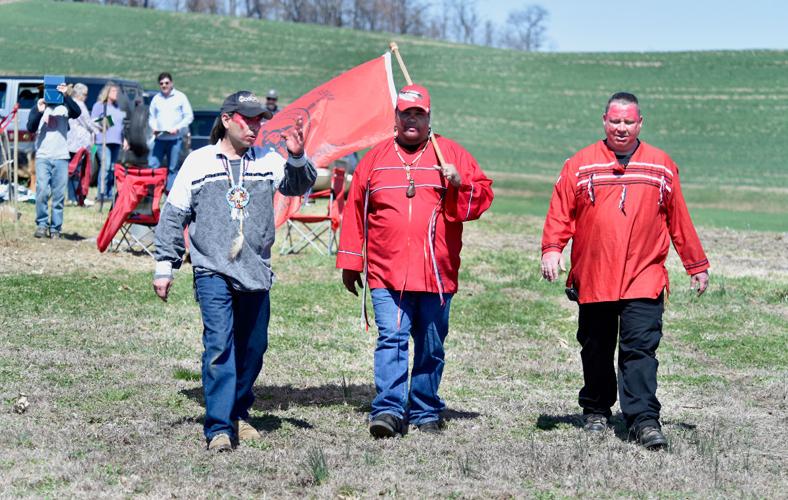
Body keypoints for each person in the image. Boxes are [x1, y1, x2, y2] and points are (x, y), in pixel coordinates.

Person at [540, 92, 710, 449]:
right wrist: (552, 249)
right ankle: (597, 410)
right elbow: (560, 210)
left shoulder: (661, 165)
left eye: (628, 121)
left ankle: (644, 420)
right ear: (604, 120)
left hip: (643, 275)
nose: (621, 127)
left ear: (640, 123)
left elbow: (680, 219)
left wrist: (696, 264)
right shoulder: (581, 163)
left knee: (640, 350)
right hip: (595, 274)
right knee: (596, 347)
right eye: (615, 121)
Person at [152, 91, 316, 452]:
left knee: (254, 347)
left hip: (255, 269)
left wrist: (298, 156)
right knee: (219, 346)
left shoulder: (268, 160)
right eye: (248, 119)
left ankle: (239, 411)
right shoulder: (198, 162)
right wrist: (165, 265)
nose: (256, 126)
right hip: (212, 268)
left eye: (260, 120)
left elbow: (298, 185)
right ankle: (220, 427)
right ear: (227, 120)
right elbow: (174, 214)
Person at [336, 84, 494, 438]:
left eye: (418, 114)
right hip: (386, 271)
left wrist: (459, 183)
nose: (412, 119)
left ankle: (424, 408)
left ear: (428, 118)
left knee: (430, 343)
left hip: (435, 271)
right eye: (405, 113)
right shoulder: (374, 160)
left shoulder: (449, 153)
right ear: (395, 117)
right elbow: (354, 211)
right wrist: (350, 260)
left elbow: (482, 199)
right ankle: (389, 410)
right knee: (391, 338)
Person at [27, 82, 81, 239]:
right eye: (46, 91)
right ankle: (42, 225)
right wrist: (39, 111)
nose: (49, 94)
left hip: (61, 156)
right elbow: (30, 127)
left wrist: (66, 96)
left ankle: (55, 228)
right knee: (42, 191)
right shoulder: (39, 106)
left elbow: (77, 112)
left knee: (58, 195)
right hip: (43, 155)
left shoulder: (65, 107)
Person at [148, 72, 194, 191]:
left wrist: (178, 128)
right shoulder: (156, 99)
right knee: (153, 165)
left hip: (175, 139)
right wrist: (153, 127)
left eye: (166, 83)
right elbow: (151, 116)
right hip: (159, 138)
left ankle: (170, 192)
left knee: (173, 167)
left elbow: (189, 116)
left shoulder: (180, 97)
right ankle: (153, 191)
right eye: (162, 83)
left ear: (171, 83)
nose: (164, 85)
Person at [65, 83, 100, 207]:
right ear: (79, 94)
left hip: (71, 142)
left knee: (72, 169)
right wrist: (101, 126)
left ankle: (72, 197)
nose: (86, 97)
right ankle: (76, 196)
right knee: (78, 170)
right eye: (85, 94)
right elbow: (87, 122)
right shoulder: (79, 104)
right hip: (79, 143)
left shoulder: (71, 103)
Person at [90, 81, 126, 201]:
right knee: (105, 166)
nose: (116, 94)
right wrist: (103, 123)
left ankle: (110, 193)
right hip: (103, 141)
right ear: (107, 92)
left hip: (116, 141)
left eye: (117, 92)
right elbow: (92, 122)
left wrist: (124, 139)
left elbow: (121, 126)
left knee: (112, 168)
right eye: (114, 91)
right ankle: (102, 193)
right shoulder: (99, 106)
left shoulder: (118, 108)